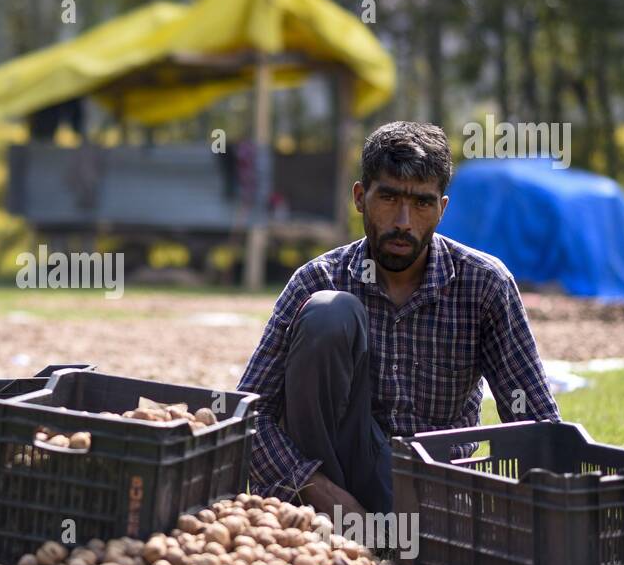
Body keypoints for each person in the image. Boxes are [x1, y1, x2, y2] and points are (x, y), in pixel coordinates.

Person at [237, 121, 560, 517]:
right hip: (332, 486)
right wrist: (314, 487)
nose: (404, 222)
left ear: (442, 209)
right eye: (388, 198)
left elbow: (535, 422)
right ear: (360, 197)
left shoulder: (483, 285)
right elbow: (247, 415)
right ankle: (340, 522)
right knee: (328, 313)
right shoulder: (318, 278)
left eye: (422, 203)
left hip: (436, 490)